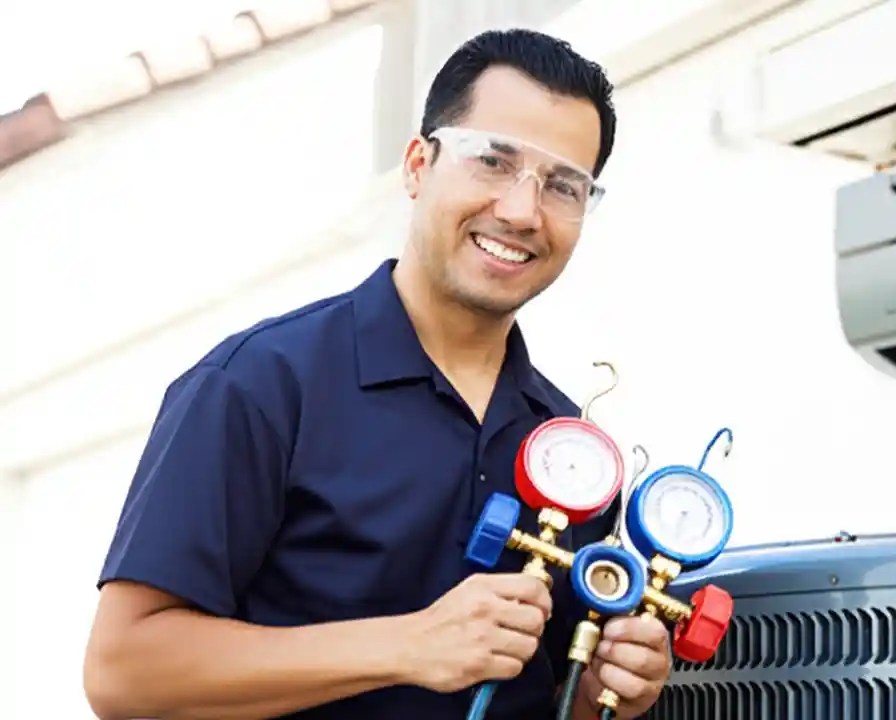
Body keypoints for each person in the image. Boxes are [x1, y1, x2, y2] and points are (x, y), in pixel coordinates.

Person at [82, 28, 672, 720]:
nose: (521, 210)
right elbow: (124, 673)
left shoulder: (568, 447)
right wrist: (409, 646)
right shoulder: (261, 386)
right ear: (418, 165)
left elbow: (544, 694)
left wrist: (611, 684)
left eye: (563, 185)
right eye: (492, 161)